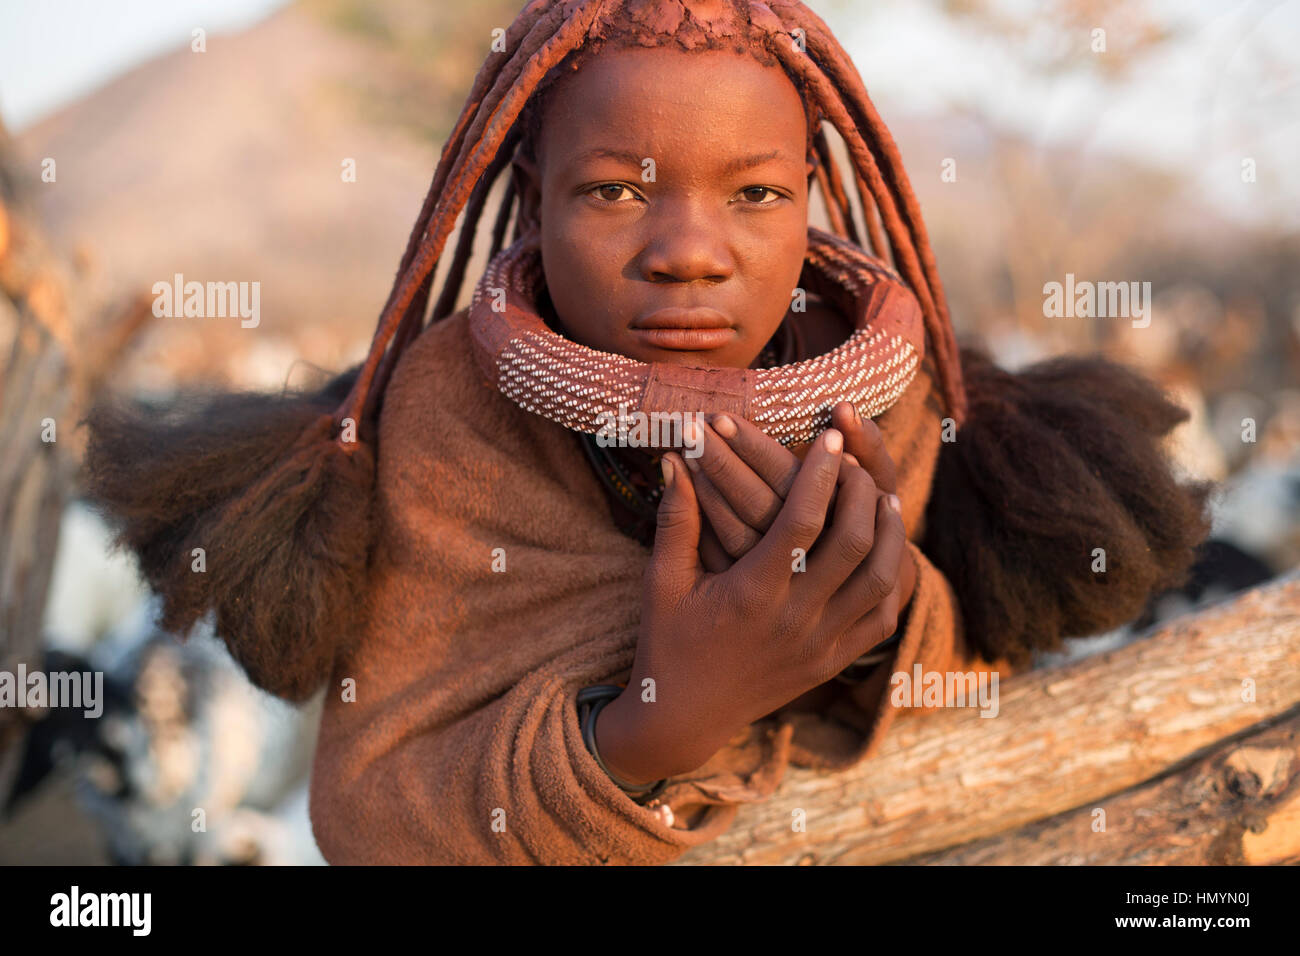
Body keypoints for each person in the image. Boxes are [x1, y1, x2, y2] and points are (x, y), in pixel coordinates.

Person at [83, 0, 1211, 864]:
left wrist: (876, 622)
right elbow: (368, 812)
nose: (688, 249)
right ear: (532, 194)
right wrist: (656, 726)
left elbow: (974, 680)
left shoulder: (888, 401)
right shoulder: (448, 418)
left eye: (756, 196)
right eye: (618, 192)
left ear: (813, 192)